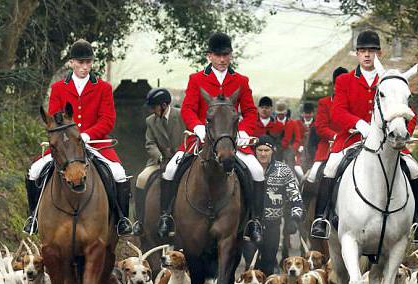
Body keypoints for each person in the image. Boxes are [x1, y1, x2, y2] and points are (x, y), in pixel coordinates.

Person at [310, 30, 418, 243]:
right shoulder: (345, 81)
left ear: (380, 53)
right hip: (351, 139)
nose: (367, 55)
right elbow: (337, 112)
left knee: (413, 168)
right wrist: (359, 124)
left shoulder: (391, 79)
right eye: (363, 51)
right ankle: (321, 219)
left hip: (390, 141)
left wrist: (403, 133)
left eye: (372, 51)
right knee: (330, 166)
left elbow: (408, 113)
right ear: (356, 54)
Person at [157, 32, 265, 244]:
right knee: (170, 169)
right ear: (209, 56)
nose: (222, 59)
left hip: (231, 141)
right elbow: (188, 108)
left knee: (257, 171)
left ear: (231, 55)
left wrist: (243, 131)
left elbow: (251, 111)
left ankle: (255, 221)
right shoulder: (196, 79)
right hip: (201, 140)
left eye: (226, 55)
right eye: (218, 55)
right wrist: (197, 127)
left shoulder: (241, 80)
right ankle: (166, 216)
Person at [24, 39, 132, 236]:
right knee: (34, 171)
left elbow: (108, 119)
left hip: (95, 143)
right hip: (65, 146)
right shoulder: (58, 88)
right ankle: (33, 217)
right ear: (71, 63)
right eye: (80, 62)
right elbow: (55, 118)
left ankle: (121, 220)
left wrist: (88, 134)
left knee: (119, 173)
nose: (84, 67)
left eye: (88, 62)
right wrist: (69, 137)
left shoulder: (103, 88)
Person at [244, 135, 303, 275]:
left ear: (273, 151)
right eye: (260, 150)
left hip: (273, 224)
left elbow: (295, 195)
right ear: (255, 151)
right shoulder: (246, 169)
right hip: (250, 224)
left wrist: (294, 217)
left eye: (266, 150)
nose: (263, 154)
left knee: (269, 264)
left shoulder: (283, 170)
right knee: (250, 264)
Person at [132, 88, 186, 235]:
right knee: (141, 179)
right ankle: (140, 220)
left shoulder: (181, 115)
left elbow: (189, 136)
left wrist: (181, 154)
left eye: (153, 106)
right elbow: (150, 143)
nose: (152, 110)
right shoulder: (150, 121)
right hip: (159, 161)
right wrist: (159, 156)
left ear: (163, 105)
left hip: (183, 159)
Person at [306, 67, 348, 184]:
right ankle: (310, 202)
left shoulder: (353, 104)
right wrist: (335, 136)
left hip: (350, 146)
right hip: (327, 148)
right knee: (313, 176)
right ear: (334, 86)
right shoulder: (324, 103)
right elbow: (320, 127)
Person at [284, 101, 316, 179]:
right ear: (303, 113)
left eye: (310, 113)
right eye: (306, 113)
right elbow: (292, 138)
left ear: (313, 113)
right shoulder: (296, 123)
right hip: (298, 152)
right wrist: (297, 147)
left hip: (312, 151)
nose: (308, 115)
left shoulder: (316, 124)